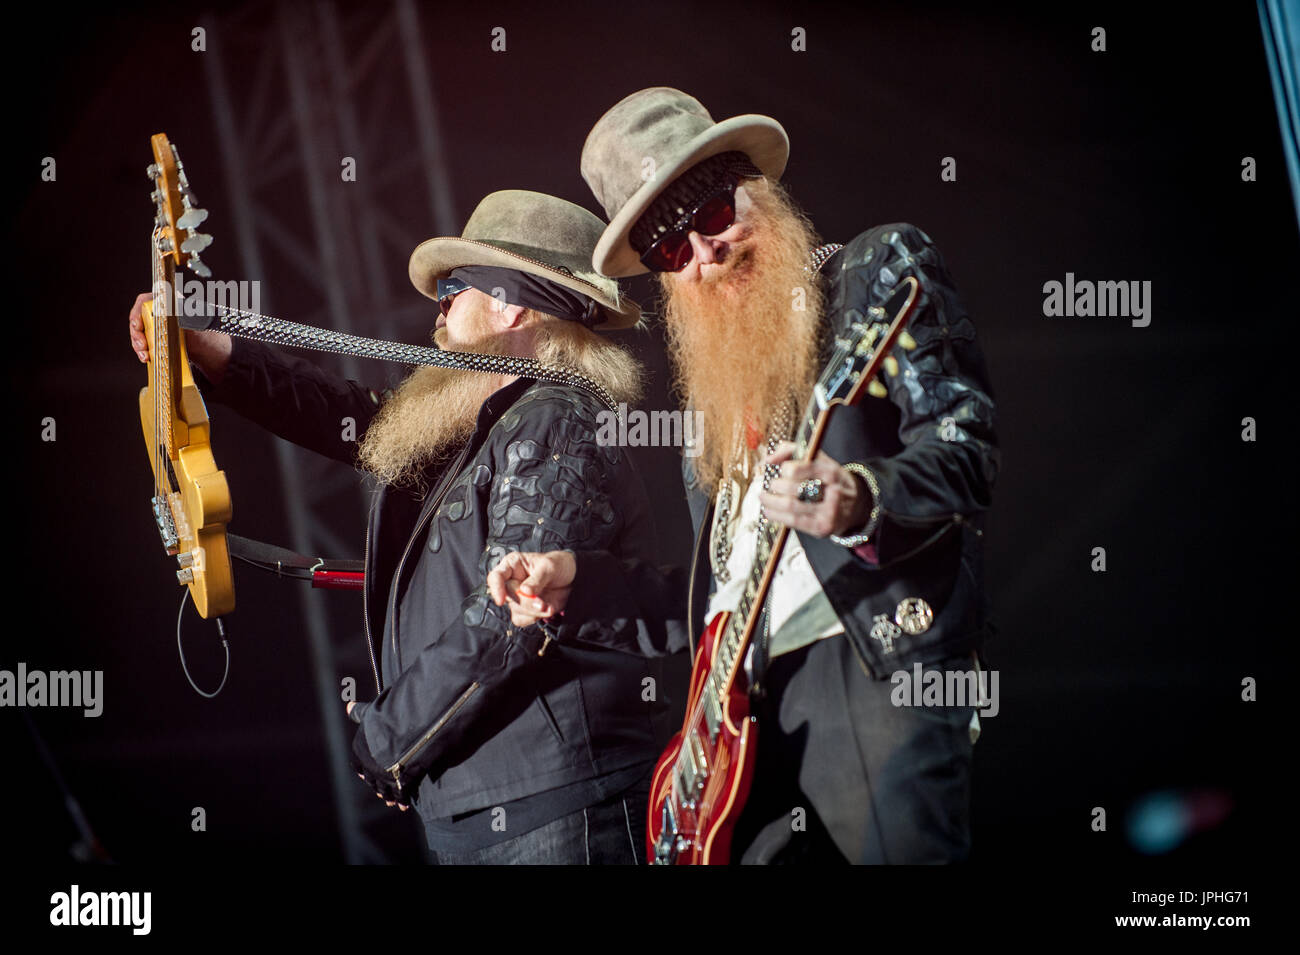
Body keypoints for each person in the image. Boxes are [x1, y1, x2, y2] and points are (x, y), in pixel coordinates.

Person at [488, 88, 999, 864]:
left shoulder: (874, 271)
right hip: (740, 731)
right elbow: (712, 605)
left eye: (712, 211)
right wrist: (576, 582)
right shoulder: (710, 414)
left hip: (864, 658)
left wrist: (857, 497)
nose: (702, 252)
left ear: (758, 190)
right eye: (670, 249)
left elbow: (966, 450)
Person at [129, 190, 677, 864]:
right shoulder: (486, 426)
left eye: (455, 288)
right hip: (484, 808)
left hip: (554, 811)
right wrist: (212, 354)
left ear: (511, 306)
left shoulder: (552, 419)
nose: (438, 308)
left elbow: (510, 617)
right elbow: (354, 417)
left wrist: (391, 737)